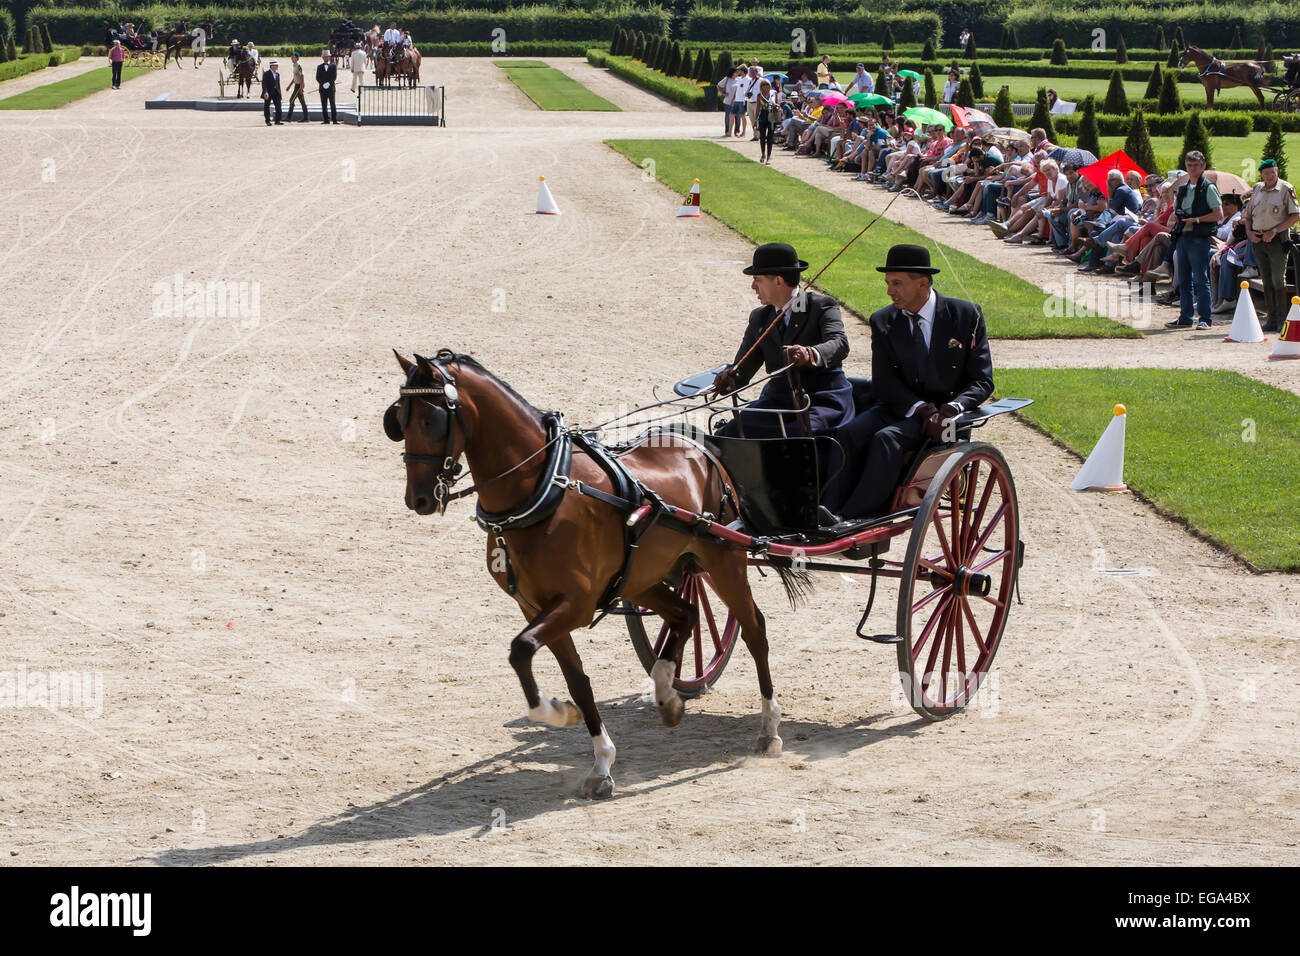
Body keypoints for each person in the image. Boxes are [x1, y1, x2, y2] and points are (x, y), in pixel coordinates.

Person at [823, 245, 993, 522]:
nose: (890, 291)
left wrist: (951, 410)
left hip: (946, 416)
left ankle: (857, 515)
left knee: (886, 439)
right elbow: (884, 382)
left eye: (897, 283)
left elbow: (982, 380)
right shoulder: (884, 320)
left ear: (923, 283)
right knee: (847, 434)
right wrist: (920, 409)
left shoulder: (965, 315)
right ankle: (828, 511)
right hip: (902, 407)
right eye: (888, 283)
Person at [711, 243, 853, 439]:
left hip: (822, 400)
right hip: (778, 400)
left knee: (796, 438)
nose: (753, 286)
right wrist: (728, 379)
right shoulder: (760, 318)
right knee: (729, 434)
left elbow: (839, 343)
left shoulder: (821, 306)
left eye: (757, 280)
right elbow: (743, 368)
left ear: (778, 281)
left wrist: (811, 353)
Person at [1165, 151, 1223, 329]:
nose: (1192, 168)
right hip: (1183, 236)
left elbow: (1218, 214)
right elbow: (1176, 211)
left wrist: (1196, 219)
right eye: (1189, 165)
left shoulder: (1209, 188)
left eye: (1195, 165)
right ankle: (1186, 317)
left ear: (1203, 166)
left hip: (1199, 238)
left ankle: (1205, 318)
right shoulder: (1182, 189)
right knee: (1183, 279)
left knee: (1200, 278)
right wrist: (1179, 216)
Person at [1241, 158, 1300, 332]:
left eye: (1272, 173)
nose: (1269, 176)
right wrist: (1249, 233)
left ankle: (1282, 318)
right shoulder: (1258, 188)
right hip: (1258, 239)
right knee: (1265, 279)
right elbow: (1248, 215)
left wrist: (1274, 231)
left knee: (1277, 279)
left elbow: (1295, 215)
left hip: (1276, 240)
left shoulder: (1285, 189)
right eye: (1265, 174)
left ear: (1277, 172)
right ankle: (1271, 317)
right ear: (1261, 174)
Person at [283, 52, 308, 122]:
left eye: (293, 57)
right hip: (296, 85)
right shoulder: (294, 65)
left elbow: (302, 76)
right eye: (291, 57)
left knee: (291, 100)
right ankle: (306, 118)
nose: (292, 58)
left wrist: (301, 87)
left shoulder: (298, 65)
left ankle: (289, 117)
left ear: (297, 58)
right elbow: (295, 77)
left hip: (299, 85)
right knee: (302, 101)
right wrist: (289, 86)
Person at [317, 51, 339, 124]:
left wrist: (329, 83)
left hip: (331, 88)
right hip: (322, 88)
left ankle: (334, 119)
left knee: (333, 104)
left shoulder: (333, 66)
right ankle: (326, 119)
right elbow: (317, 77)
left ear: (329, 57)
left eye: (327, 56)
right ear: (322, 58)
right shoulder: (319, 67)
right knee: (324, 104)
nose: (326, 58)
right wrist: (322, 83)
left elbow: (334, 77)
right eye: (324, 56)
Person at [261, 59, 283, 126]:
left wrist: (280, 94)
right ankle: (267, 121)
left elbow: (278, 85)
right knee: (266, 106)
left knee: (278, 106)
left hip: (276, 93)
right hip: (268, 92)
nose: (277, 67)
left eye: (277, 65)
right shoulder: (266, 74)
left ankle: (277, 120)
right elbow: (264, 83)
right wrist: (265, 92)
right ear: (272, 66)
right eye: (276, 65)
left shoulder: (277, 74)